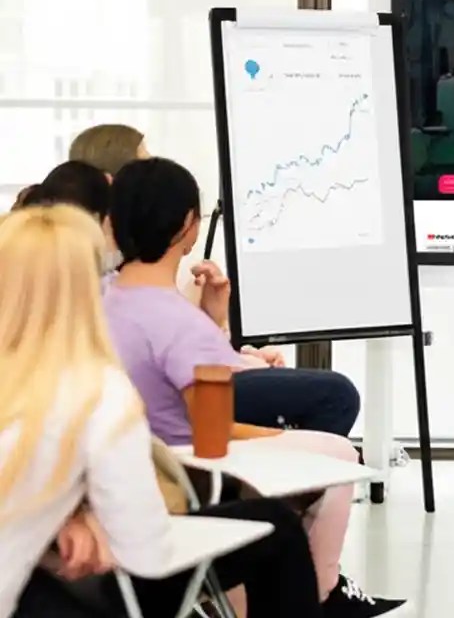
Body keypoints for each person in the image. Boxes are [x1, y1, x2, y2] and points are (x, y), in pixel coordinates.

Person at [101, 157, 404, 617]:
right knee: (341, 454)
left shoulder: (105, 296)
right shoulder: (176, 321)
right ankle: (322, 592)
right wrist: (277, 439)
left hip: (139, 465)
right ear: (188, 227)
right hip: (184, 465)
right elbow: (213, 426)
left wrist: (212, 321)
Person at [0, 206, 326, 618]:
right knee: (277, 527)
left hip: (32, 580)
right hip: (88, 575)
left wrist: (63, 520)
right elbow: (146, 551)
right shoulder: (95, 395)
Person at [67, 124, 362, 437]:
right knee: (337, 400)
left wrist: (225, 338)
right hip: (186, 456)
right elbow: (210, 425)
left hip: (158, 433)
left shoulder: (119, 289)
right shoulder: (149, 305)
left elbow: (178, 355)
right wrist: (292, 443)